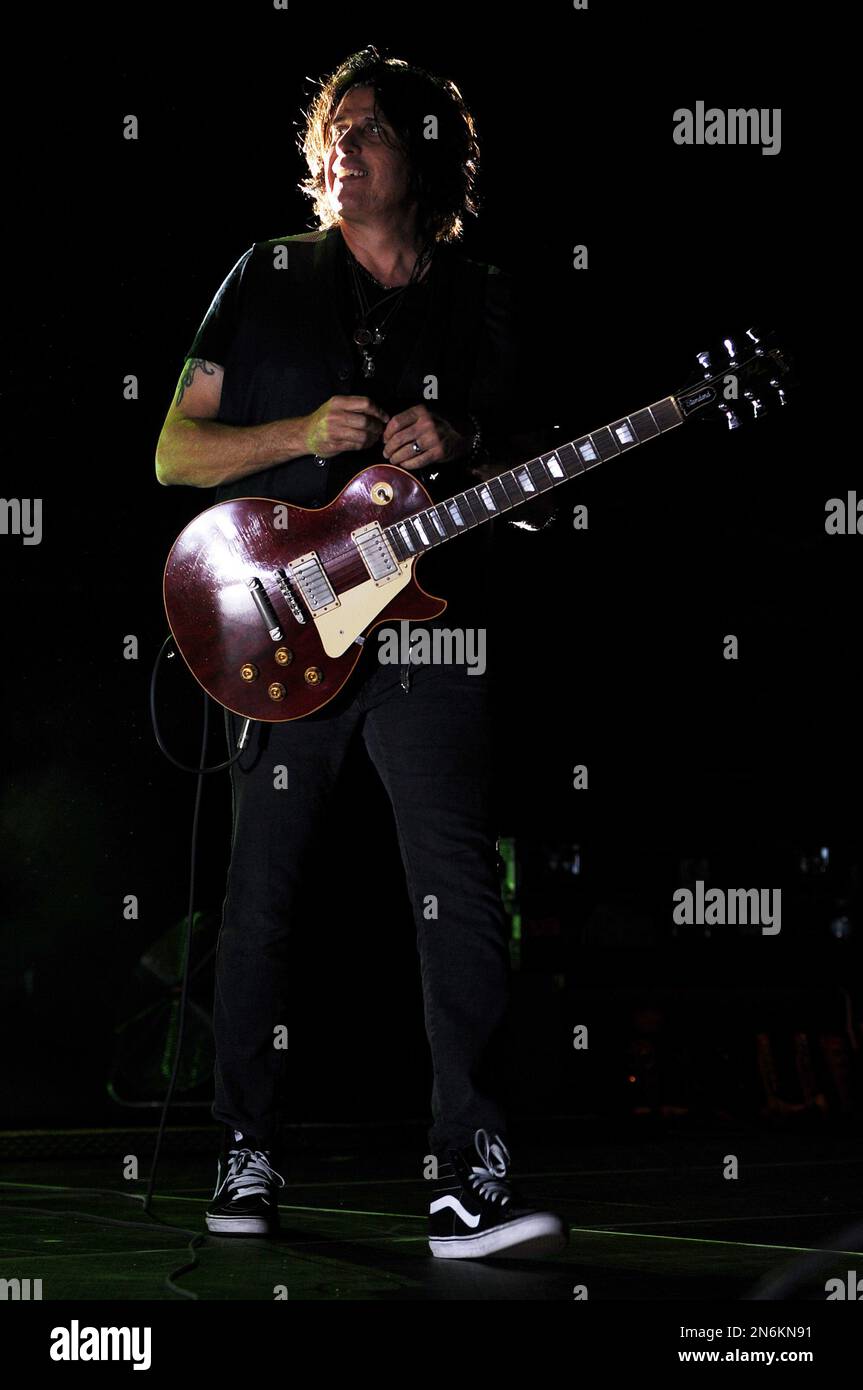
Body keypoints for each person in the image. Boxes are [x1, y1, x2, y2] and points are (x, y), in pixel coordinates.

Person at [155, 45, 565, 1260]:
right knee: (261, 896)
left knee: (457, 891)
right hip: (283, 631)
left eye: (372, 128)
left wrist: (470, 441)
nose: (344, 147)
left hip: (428, 628)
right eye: (332, 129)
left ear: (425, 155)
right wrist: (292, 429)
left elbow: (528, 495)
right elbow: (176, 451)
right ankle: (244, 1148)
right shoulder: (268, 275)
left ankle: (466, 1177)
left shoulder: (483, 293)